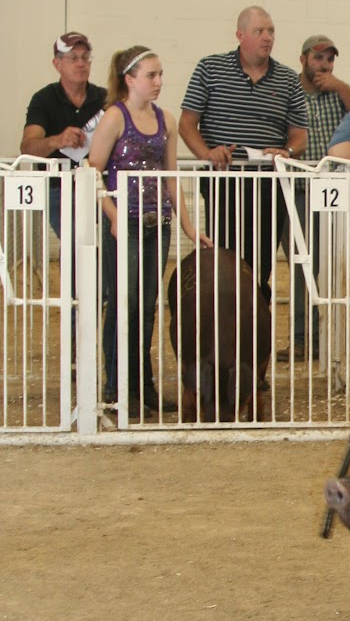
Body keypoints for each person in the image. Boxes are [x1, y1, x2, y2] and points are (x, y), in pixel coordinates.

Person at [88, 45, 209, 410]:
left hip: (158, 224)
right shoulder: (114, 117)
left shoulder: (166, 120)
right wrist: (111, 215)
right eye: (151, 75)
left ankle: (142, 383)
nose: (158, 81)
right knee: (123, 302)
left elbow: (171, 178)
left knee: (147, 304)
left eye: (159, 74)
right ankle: (116, 384)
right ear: (130, 80)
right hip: (124, 222)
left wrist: (188, 225)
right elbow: (93, 170)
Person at [179, 6, 308, 299]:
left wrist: (287, 151)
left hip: (267, 183)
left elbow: (300, 135)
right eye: (259, 31)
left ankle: (254, 328)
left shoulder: (288, 79)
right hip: (223, 182)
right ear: (240, 35)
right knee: (224, 257)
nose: (267, 37)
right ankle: (226, 325)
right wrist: (207, 153)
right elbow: (187, 124)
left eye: (271, 31)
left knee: (261, 262)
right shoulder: (210, 68)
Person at [282, 34, 350, 362]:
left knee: (335, 262)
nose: (324, 64)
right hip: (299, 186)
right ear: (303, 60)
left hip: (332, 187)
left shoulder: (338, 94)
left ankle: (332, 337)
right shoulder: (290, 91)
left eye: (329, 59)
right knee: (303, 262)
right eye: (318, 58)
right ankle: (304, 337)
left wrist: (340, 86)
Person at [21, 32, 107, 273]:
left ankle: (96, 295)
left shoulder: (103, 98)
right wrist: (56, 141)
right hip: (59, 188)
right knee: (76, 243)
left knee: (103, 243)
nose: (81, 63)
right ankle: (80, 300)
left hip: (100, 185)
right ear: (57, 64)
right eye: (73, 58)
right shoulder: (44, 99)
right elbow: (28, 146)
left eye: (85, 57)